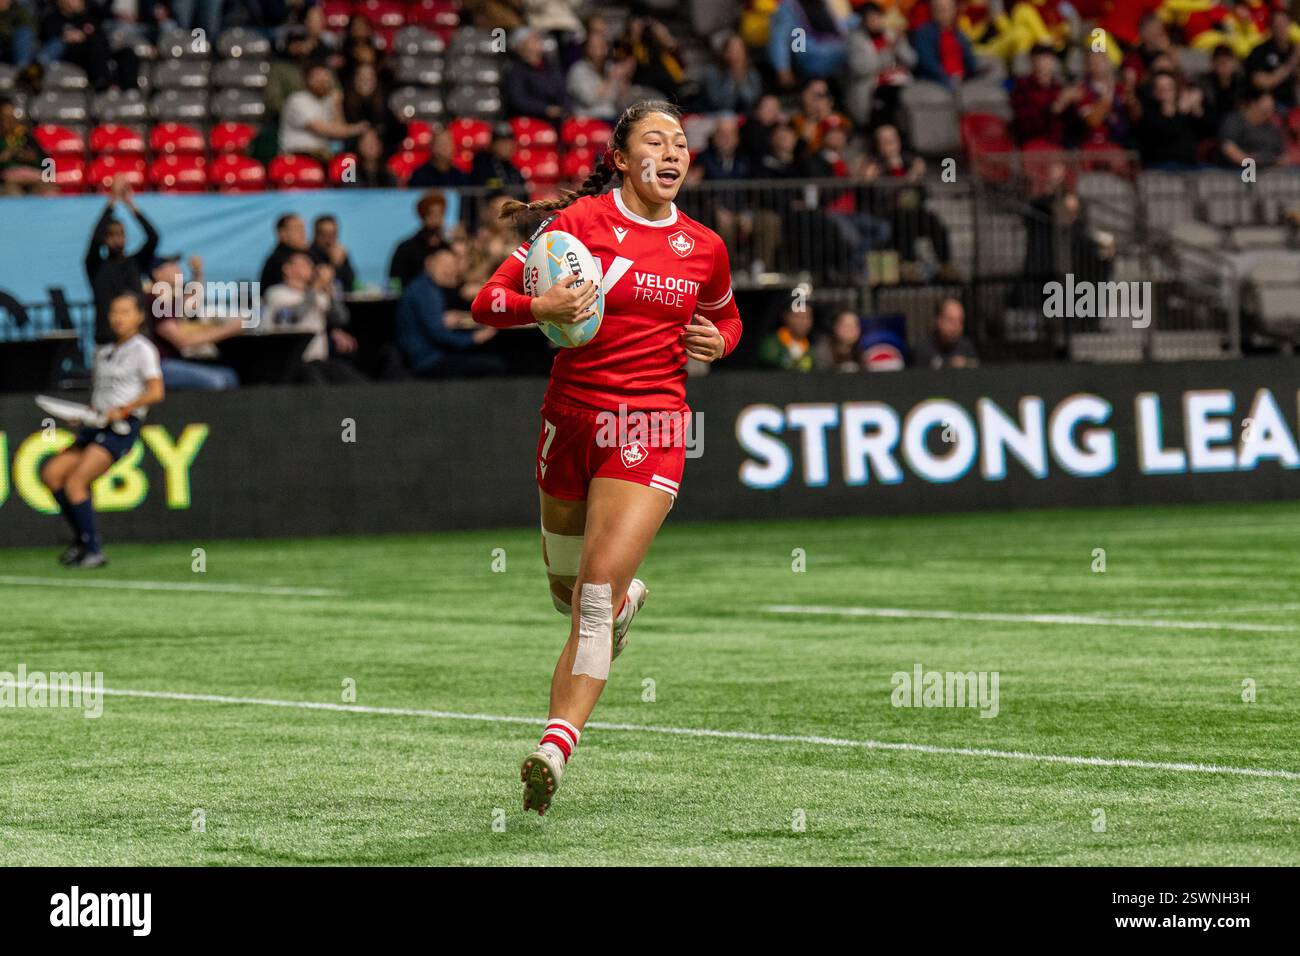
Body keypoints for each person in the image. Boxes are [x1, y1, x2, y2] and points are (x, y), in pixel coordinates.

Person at [470, 101, 742, 816]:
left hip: (650, 425)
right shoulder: (578, 226)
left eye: (682, 142)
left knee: (590, 602)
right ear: (621, 159)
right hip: (569, 423)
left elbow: (729, 314)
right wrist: (541, 309)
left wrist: (723, 342)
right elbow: (486, 301)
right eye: (656, 139)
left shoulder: (703, 246)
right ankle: (627, 599)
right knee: (568, 593)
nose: (673, 150)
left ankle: (553, 748)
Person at [40, 291, 163, 568]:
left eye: (125, 312)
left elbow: (156, 392)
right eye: (114, 312)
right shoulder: (105, 351)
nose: (118, 318)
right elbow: (104, 394)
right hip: (95, 424)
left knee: (76, 483)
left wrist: (126, 408)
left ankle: (93, 549)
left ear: (139, 316)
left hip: (119, 428)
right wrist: (85, 415)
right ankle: (82, 539)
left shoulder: (143, 349)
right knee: (52, 473)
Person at [260, 252, 365, 384]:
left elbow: (341, 318)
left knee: (356, 383)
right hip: (294, 364)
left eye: (310, 264)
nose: (311, 267)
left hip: (321, 361)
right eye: (304, 264)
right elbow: (295, 316)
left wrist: (331, 292)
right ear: (287, 268)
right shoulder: (276, 293)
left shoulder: (317, 294)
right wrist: (314, 290)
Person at [397, 248, 502, 377]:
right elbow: (438, 334)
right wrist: (474, 338)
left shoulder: (422, 286)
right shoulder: (426, 291)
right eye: (444, 265)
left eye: (452, 266)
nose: (449, 270)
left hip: (425, 356)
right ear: (429, 263)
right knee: (495, 365)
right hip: (429, 360)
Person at [146, 254, 243, 390]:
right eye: (172, 266)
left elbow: (192, 302)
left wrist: (197, 272)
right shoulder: (155, 301)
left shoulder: (167, 300)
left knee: (229, 376)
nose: (178, 269)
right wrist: (230, 329)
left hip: (172, 361)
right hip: (159, 366)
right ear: (157, 274)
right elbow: (183, 340)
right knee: (217, 381)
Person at [85, 177, 159, 344]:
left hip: (136, 338)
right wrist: (111, 202)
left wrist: (130, 204)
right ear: (105, 239)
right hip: (107, 341)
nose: (118, 240)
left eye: (121, 234)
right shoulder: (96, 266)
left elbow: (153, 237)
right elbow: (95, 239)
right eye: (112, 235)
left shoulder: (134, 262)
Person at [280, 63, 368, 162]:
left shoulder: (328, 101)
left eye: (325, 80)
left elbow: (339, 130)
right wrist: (356, 129)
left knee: (348, 166)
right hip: (296, 157)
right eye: (317, 80)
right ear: (307, 80)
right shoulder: (297, 99)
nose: (322, 83)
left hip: (322, 157)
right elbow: (322, 129)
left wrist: (336, 106)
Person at [566, 26, 635, 120]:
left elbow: (621, 101)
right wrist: (610, 79)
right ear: (586, 48)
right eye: (593, 46)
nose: (598, 50)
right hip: (589, 119)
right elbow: (589, 99)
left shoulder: (610, 67)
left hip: (613, 116)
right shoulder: (578, 70)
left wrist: (625, 77)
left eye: (602, 45)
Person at [911, 0, 979, 89]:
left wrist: (975, 72)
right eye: (940, 9)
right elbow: (928, 62)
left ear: (954, 10)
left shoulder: (959, 34)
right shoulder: (924, 33)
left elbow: (970, 61)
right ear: (933, 11)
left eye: (947, 9)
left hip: (963, 80)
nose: (944, 13)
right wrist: (948, 79)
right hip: (937, 81)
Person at [504, 27, 568, 120]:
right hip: (529, 121)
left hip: (557, 119)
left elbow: (563, 92)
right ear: (520, 46)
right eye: (532, 39)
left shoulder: (551, 67)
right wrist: (545, 109)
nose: (538, 41)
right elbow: (518, 100)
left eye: (537, 38)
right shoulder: (516, 71)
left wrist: (565, 108)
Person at [389, 190, 449, 289]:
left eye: (441, 214)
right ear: (423, 216)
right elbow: (395, 282)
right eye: (432, 214)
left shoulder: (447, 247)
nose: (437, 219)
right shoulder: (406, 249)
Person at [1245, 7, 1300, 111]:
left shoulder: (1294, 49)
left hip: (1292, 103)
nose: (1281, 28)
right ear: (1271, 27)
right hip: (1268, 106)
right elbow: (1263, 82)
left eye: (1284, 24)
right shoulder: (1259, 51)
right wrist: (1292, 62)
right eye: (1277, 25)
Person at [1220, 87, 1284, 169]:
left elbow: (1282, 155)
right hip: (1235, 173)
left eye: (1271, 111)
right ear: (1253, 104)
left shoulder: (1271, 126)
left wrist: (1277, 162)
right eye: (1265, 111)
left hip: (1270, 174)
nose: (1269, 115)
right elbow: (1228, 148)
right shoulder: (1234, 121)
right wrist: (1252, 161)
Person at [702, 33, 762, 115]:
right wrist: (732, 79)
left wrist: (741, 78)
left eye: (740, 49)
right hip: (716, 114)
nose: (737, 53)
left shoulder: (752, 73)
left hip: (746, 115)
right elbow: (718, 104)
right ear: (725, 53)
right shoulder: (713, 72)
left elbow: (752, 102)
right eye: (733, 49)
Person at [0, 94, 49, 194]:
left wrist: (33, 159)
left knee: (49, 191)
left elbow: (46, 161)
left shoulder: (24, 136)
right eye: (5, 118)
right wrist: (6, 155)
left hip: (32, 178)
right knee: (13, 194)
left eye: (12, 117)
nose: (10, 122)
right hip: (7, 182)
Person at [914, 297, 978, 369]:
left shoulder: (966, 347)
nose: (956, 326)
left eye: (960, 321)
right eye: (951, 320)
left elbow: (976, 365)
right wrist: (950, 364)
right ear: (939, 320)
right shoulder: (923, 349)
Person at [258, 213, 308, 292]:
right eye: (297, 229)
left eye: (303, 228)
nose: (303, 233)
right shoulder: (277, 260)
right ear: (282, 233)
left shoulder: (310, 253)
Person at [468, 123, 526, 190]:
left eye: (508, 142)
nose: (506, 146)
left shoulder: (514, 169)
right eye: (501, 142)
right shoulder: (481, 161)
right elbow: (481, 186)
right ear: (493, 144)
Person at [309, 214, 357, 293]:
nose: (330, 239)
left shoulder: (340, 252)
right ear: (316, 234)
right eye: (325, 234)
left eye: (333, 234)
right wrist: (334, 264)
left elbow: (352, 282)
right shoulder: (308, 255)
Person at [757, 306, 814, 371]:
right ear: (786, 317)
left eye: (807, 317)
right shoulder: (772, 344)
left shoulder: (810, 350)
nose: (803, 322)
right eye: (798, 317)